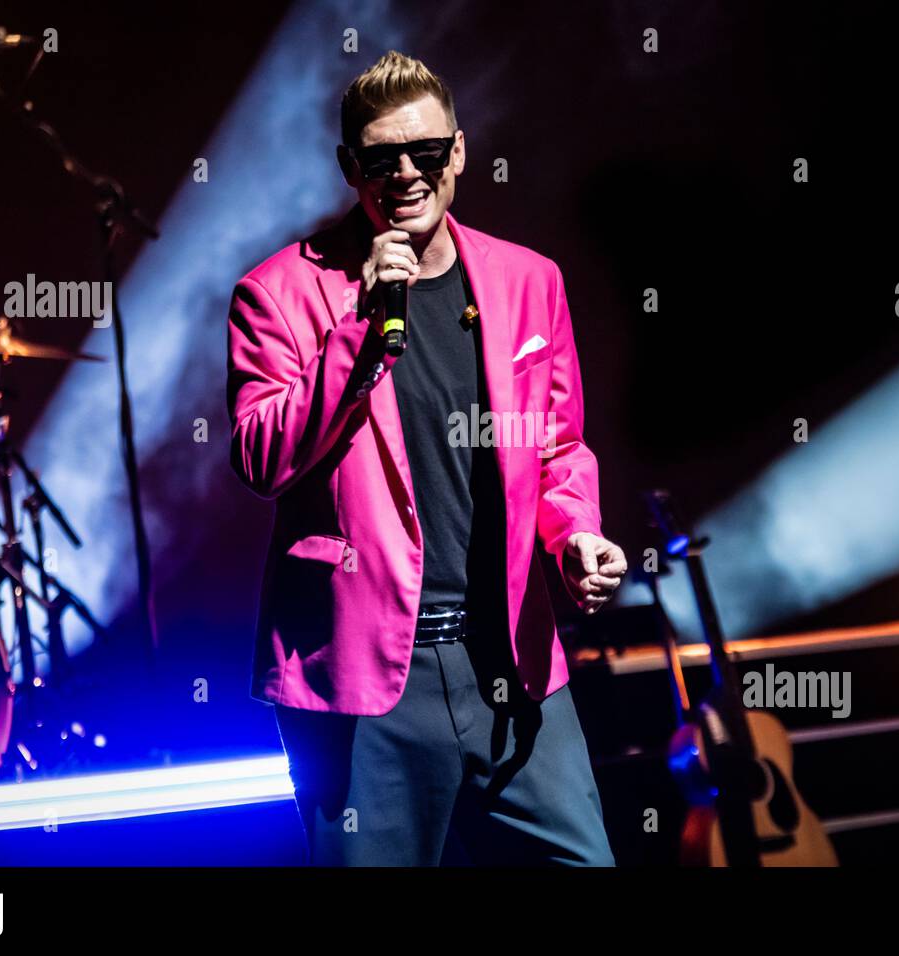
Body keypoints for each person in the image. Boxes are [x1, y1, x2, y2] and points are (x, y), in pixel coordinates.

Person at [226, 50, 626, 865]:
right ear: (350, 168)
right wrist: (360, 333)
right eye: (381, 159)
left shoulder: (527, 282)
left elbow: (557, 448)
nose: (407, 174)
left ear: (460, 152)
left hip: (510, 659)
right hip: (365, 681)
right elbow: (260, 458)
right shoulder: (278, 293)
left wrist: (574, 533)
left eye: (426, 152)